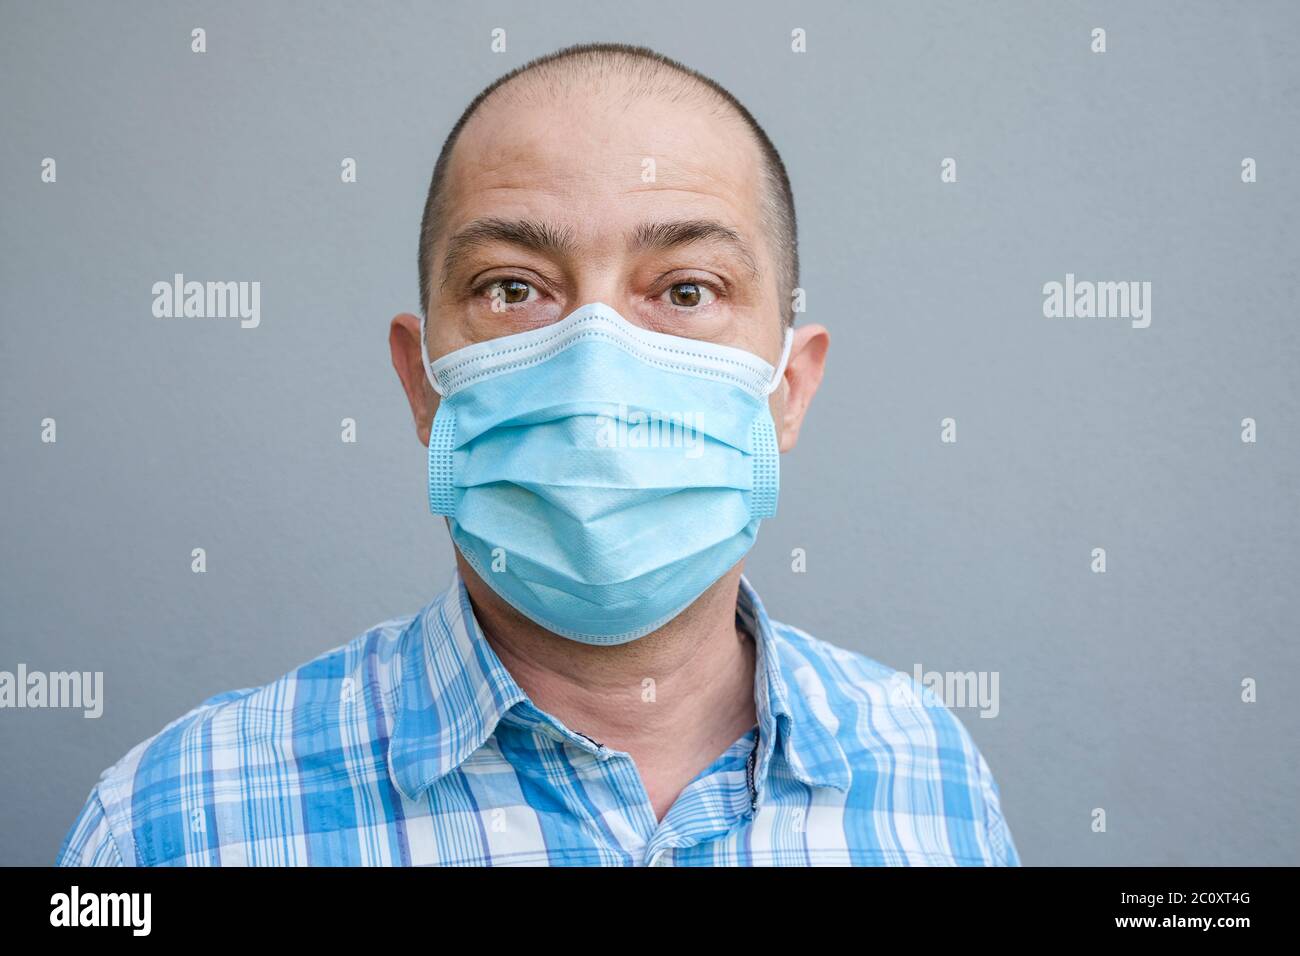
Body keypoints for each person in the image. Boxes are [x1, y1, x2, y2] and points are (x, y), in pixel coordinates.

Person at [56, 41, 1019, 867]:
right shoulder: (172, 821)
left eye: (685, 291)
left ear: (790, 389)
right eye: (514, 289)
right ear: (423, 382)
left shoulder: (928, 774)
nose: (597, 373)